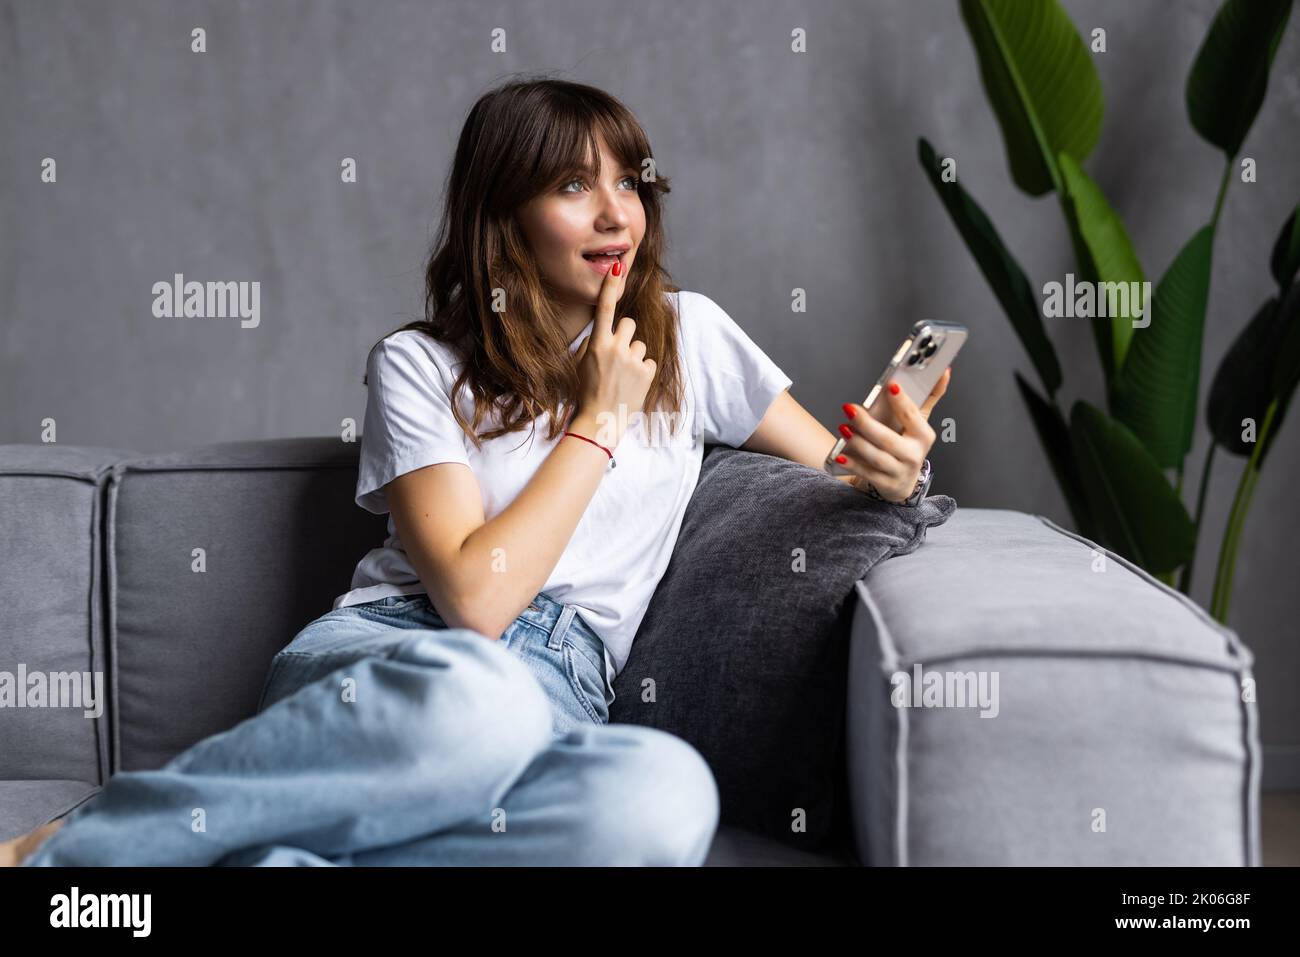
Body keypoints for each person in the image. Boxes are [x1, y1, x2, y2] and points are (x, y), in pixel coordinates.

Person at [6, 75, 948, 868]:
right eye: (576, 185)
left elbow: (840, 472)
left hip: (563, 696)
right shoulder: (420, 365)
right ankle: (68, 849)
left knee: (662, 795)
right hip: (396, 667)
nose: (618, 212)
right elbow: (475, 601)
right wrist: (602, 417)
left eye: (631, 182)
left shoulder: (690, 334)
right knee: (479, 699)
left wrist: (893, 468)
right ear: (506, 211)